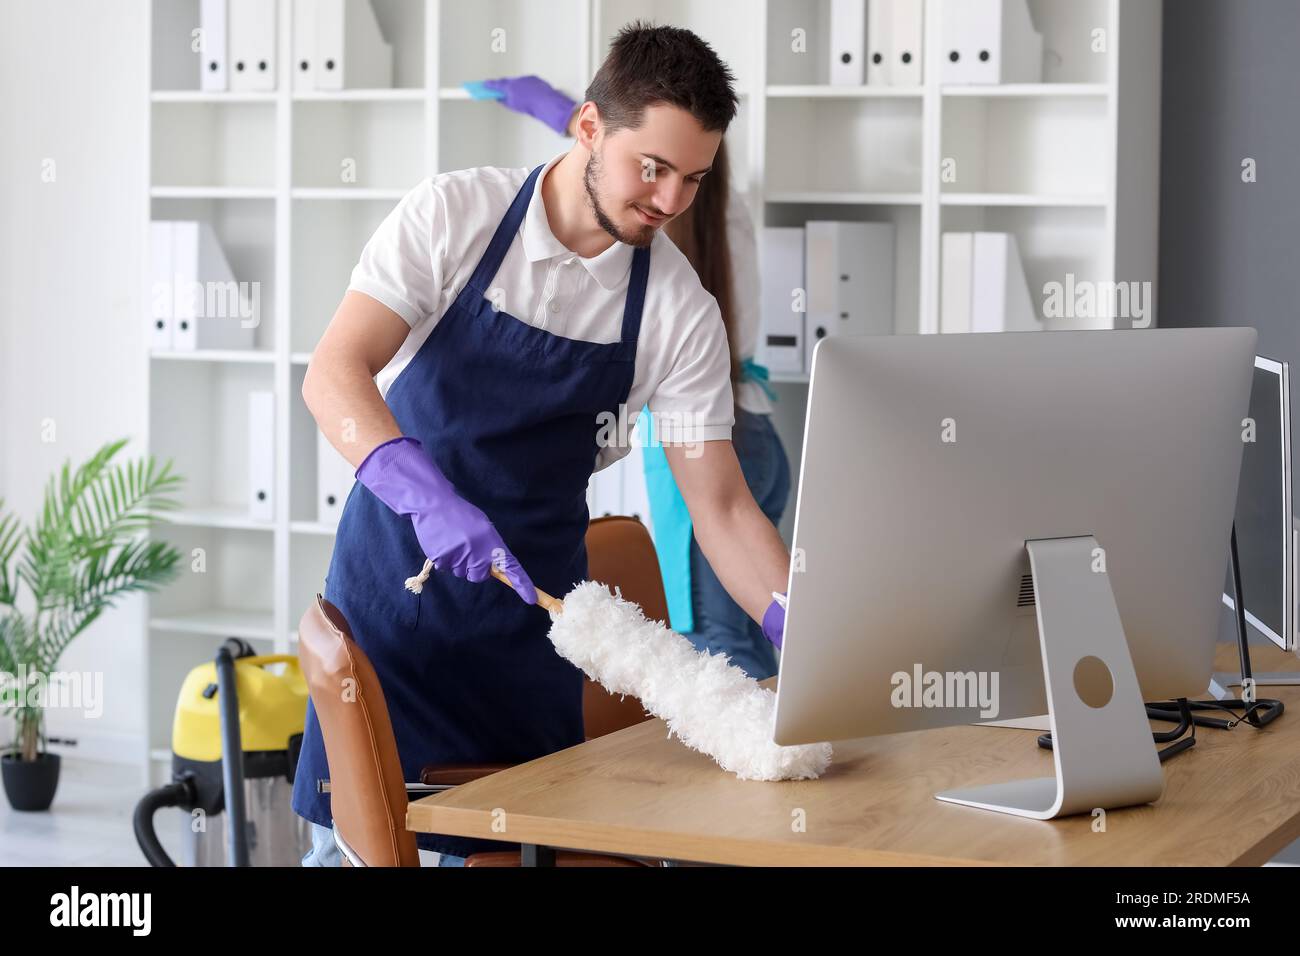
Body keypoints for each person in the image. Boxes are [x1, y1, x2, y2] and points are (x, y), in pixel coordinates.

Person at [293, 23, 792, 867]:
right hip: (392, 633)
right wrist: (427, 494)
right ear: (589, 126)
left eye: (694, 180)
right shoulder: (455, 216)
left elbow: (724, 508)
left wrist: (802, 630)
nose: (671, 202)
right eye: (653, 168)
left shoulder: (676, 311)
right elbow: (334, 373)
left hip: (535, 641)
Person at [479, 74, 791, 681]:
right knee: (745, 632)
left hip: (709, 438)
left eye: (686, 177)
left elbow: (623, 159)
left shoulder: (656, 238)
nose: (671, 196)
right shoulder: (725, 205)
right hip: (760, 433)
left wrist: (562, 113)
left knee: (717, 644)